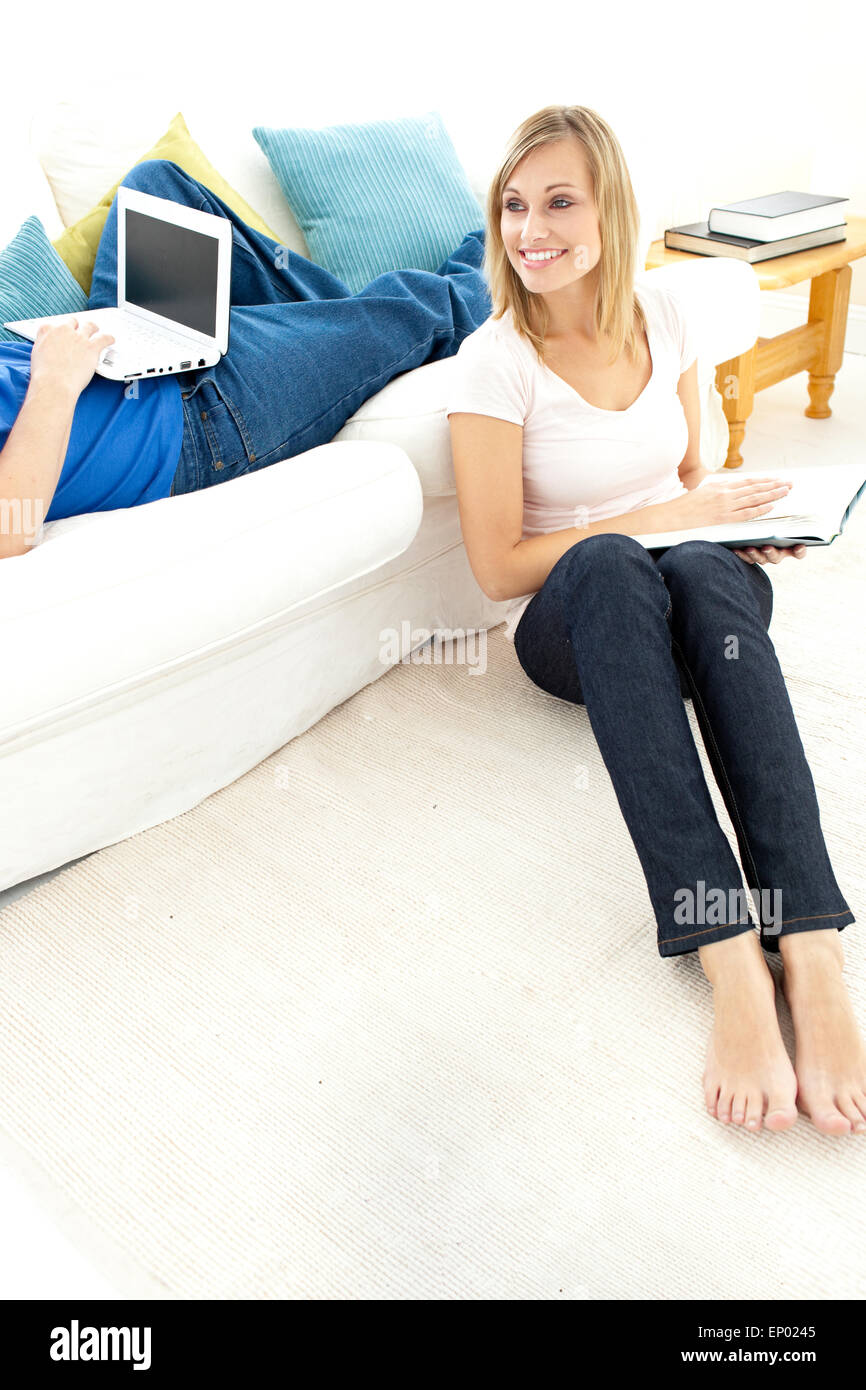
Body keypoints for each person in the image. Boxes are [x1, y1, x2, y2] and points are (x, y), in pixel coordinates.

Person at [446, 104, 864, 1136]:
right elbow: (499, 566)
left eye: (556, 202)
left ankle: (808, 944)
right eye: (511, 205)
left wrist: (727, 521)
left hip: (688, 589)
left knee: (705, 575)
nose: (529, 228)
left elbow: (693, 475)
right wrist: (667, 518)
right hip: (579, 620)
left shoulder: (664, 317)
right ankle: (726, 951)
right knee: (611, 558)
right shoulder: (492, 363)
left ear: (608, 212)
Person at [0, 158, 493, 557]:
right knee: (418, 308)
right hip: (200, 419)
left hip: (117, 351)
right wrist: (55, 382)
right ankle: (510, 252)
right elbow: (10, 532)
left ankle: (345, 329)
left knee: (155, 184)